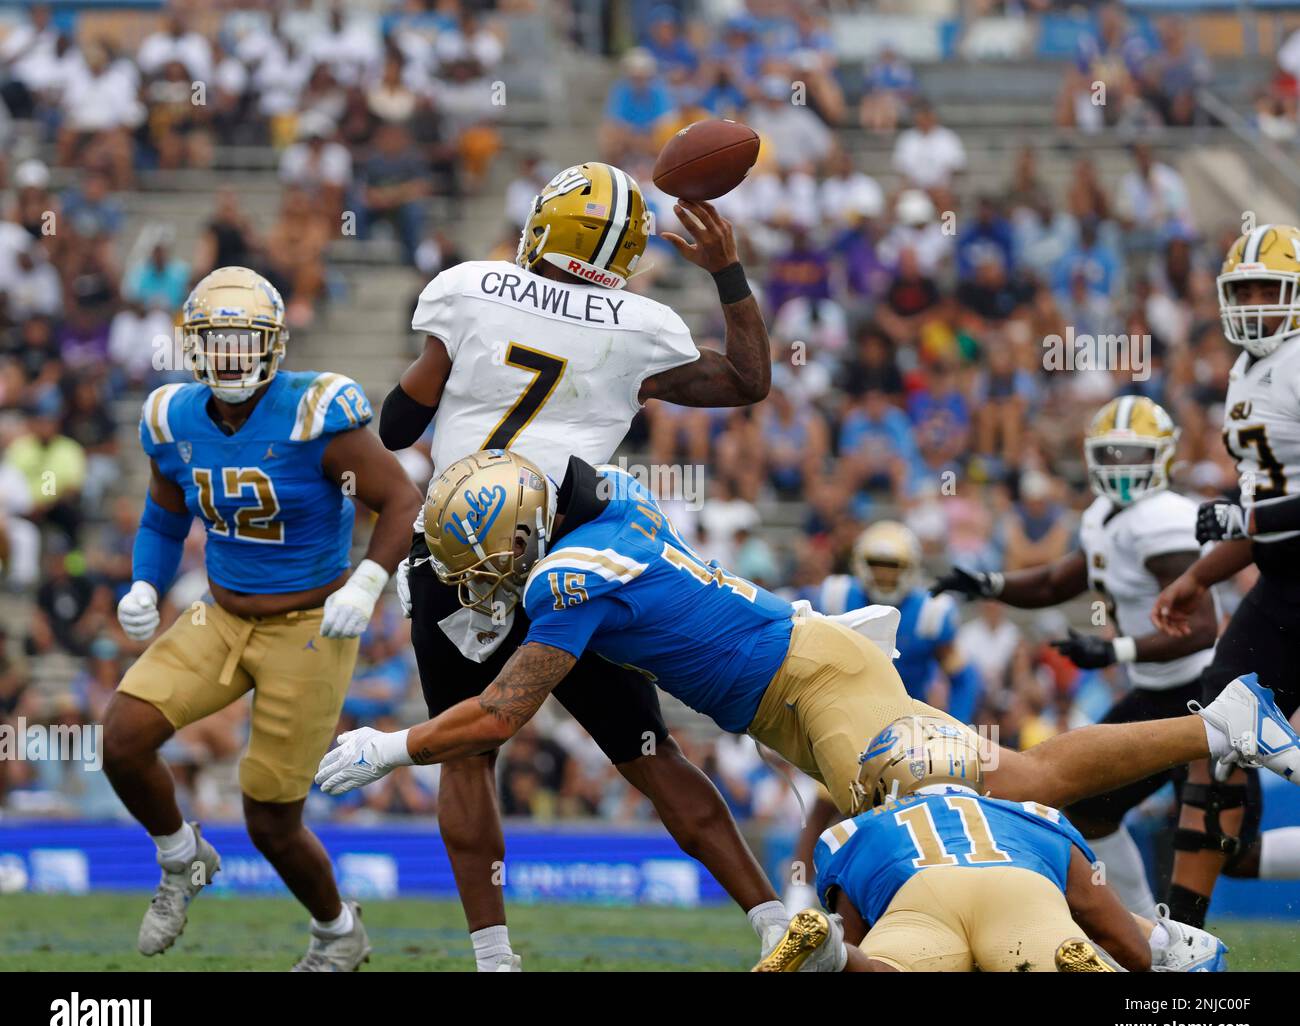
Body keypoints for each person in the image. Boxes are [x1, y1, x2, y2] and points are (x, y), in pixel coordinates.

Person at [317, 450, 1300, 898]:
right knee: (903, 840)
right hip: (802, 669)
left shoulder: (569, 582)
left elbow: (495, 717)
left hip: (810, 686)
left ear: (522, 538)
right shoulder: (604, 514)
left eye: (474, 556)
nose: (468, 579)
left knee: (1015, 782)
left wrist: (387, 745)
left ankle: (1218, 725)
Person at [374, 162, 779, 971]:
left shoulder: (470, 286)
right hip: (570, 556)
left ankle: (494, 958)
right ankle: (773, 921)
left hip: (459, 553)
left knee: (467, 752)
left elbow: (395, 425)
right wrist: (728, 273)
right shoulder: (639, 325)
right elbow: (749, 380)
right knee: (648, 750)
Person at [104, 267, 422, 970]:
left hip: (311, 625)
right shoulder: (172, 418)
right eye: (216, 343)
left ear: (272, 345)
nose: (229, 357)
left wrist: (367, 582)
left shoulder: (315, 414)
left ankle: (338, 930)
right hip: (219, 613)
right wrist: (145, 585)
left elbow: (401, 499)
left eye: (244, 342)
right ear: (194, 347)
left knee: (270, 820)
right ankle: (181, 857)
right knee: (122, 738)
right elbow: (162, 516)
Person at [931, 397, 1216, 919]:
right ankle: (1148, 930)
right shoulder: (1104, 515)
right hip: (1158, 689)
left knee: (1223, 845)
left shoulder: (1164, 519)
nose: (1121, 467)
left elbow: (1201, 629)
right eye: (1111, 454)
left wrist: (1113, 649)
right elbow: (1058, 580)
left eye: (1134, 455)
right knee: (1090, 807)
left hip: (1201, 689)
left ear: (1165, 456)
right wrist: (990, 583)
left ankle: (1160, 935)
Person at [754, 717, 1224, 973]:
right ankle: (1068, 961)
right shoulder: (1033, 814)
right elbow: (1126, 942)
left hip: (919, 899)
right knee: (1053, 950)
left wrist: (848, 951)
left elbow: (857, 927)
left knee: (882, 965)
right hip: (1021, 892)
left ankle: (833, 956)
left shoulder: (855, 831)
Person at [1154, 222, 1300, 926]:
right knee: (1215, 730)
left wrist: (1250, 521)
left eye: (1266, 289)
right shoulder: (1245, 373)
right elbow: (1256, 508)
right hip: (1282, 585)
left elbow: (1262, 513)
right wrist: (1199, 576)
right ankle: (1184, 936)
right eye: (1241, 290)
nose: (1253, 304)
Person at [786, 520, 981, 910]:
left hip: (908, 724)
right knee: (828, 798)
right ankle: (798, 888)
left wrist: (949, 727)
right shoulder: (836, 595)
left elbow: (965, 678)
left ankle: (907, 894)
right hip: (845, 713)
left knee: (909, 806)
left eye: (893, 565)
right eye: (878, 564)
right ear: (860, 563)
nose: (884, 574)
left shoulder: (929, 613)